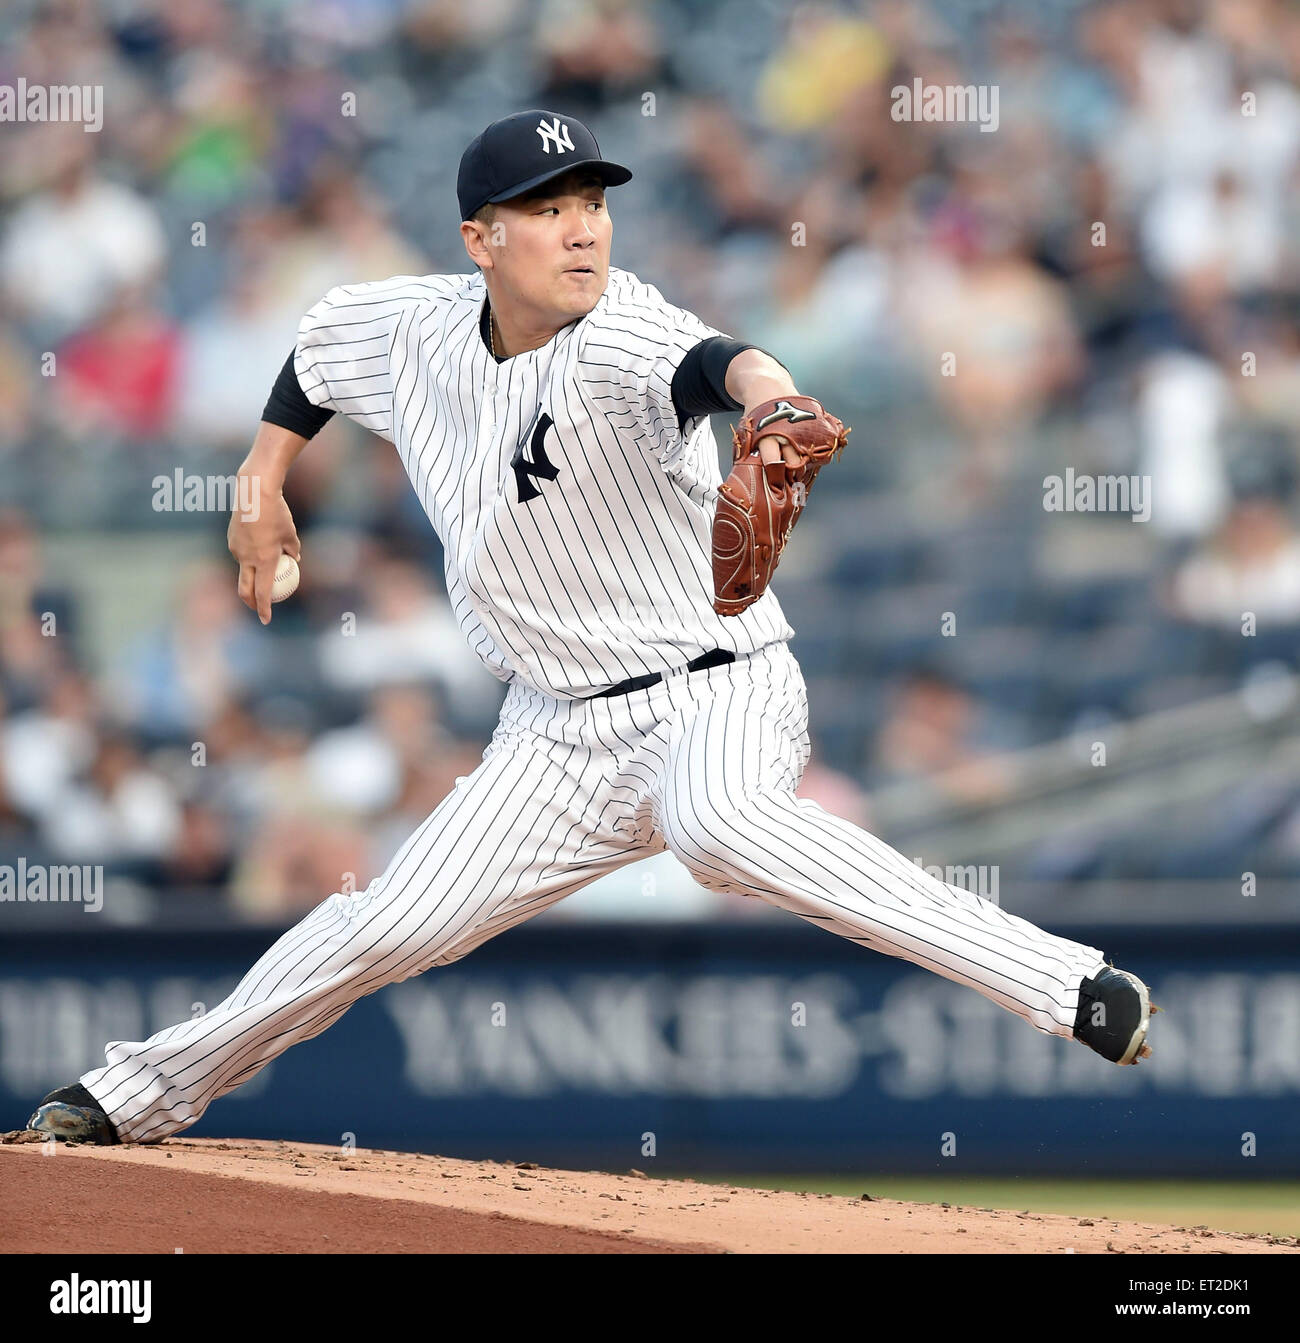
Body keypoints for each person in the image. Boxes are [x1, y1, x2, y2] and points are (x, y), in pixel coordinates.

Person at [28, 110, 1154, 1147]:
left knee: (717, 824)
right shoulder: (413, 327)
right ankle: (132, 1094)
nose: (583, 231)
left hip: (714, 682)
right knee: (386, 926)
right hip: (553, 735)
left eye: (594, 203)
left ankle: (1070, 986)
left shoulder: (623, 331)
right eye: (549, 208)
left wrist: (770, 399)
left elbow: (719, 362)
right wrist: (262, 474)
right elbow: (319, 349)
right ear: (481, 238)